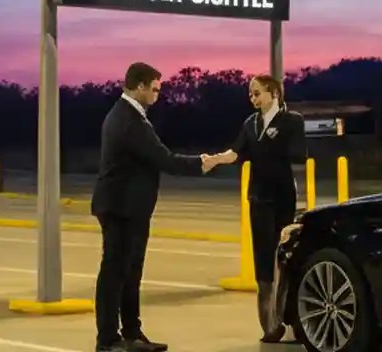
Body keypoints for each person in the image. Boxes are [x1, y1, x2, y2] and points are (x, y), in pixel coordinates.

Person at [91, 62, 215, 352]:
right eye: (155, 89)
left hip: (130, 208)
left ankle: (131, 333)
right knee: (115, 272)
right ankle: (108, 339)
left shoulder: (131, 116)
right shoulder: (127, 120)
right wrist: (204, 162)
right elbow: (165, 159)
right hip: (120, 207)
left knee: (131, 271)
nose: (158, 94)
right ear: (139, 86)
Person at [207, 74, 306, 342]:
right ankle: (269, 326)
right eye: (250, 94)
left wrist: (278, 143)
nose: (252, 98)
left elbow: (300, 154)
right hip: (259, 197)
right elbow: (236, 152)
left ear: (273, 93)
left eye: (257, 93)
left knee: (287, 257)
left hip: (284, 196)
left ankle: (295, 318)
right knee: (263, 259)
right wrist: (216, 159)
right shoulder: (250, 124)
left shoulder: (292, 121)